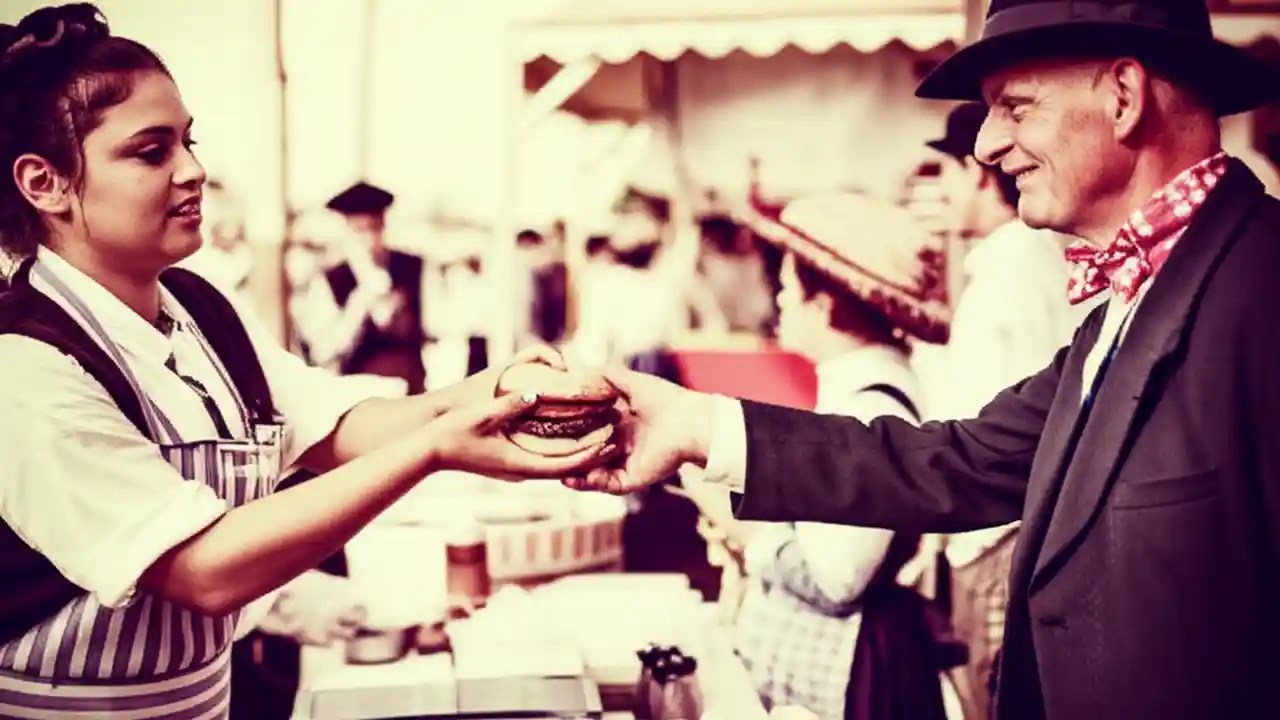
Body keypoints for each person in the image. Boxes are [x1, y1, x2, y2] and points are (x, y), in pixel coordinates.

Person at [570, 1, 1280, 718]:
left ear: (1123, 98)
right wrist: (701, 427)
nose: (987, 148)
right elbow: (958, 461)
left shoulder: (1262, 283)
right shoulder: (1124, 308)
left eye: (1014, 107)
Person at [0, 5, 615, 717]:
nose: (194, 171)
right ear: (44, 183)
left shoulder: (199, 309)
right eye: (151, 151)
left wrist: (499, 391)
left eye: (189, 142)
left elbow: (339, 427)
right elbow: (204, 570)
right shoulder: (26, 366)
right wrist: (436, 448)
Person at [725, 193, 953, 719]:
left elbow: (836, 579)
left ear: (824, 305)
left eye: (787, 290)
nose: (779, 302)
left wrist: (745, 531)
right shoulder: (855, 391)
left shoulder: (873, 409)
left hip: (860, 678)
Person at [924, 101, 1095, 720]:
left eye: (943, 169)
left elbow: (1028, 420)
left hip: (998, 533)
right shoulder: (1010, 259)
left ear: (976, 170)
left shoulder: (1016, 262)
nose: (939, 188)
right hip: (984, 531)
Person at [321, 180, 430, 393]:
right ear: (347, 231)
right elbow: (325, 350)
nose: (369, 240)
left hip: (411, 392)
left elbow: (437, 332)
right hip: (360, 397)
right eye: (360, 230)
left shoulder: (413, 267)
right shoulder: (331, 279)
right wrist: (360, 303)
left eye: (375, 228)